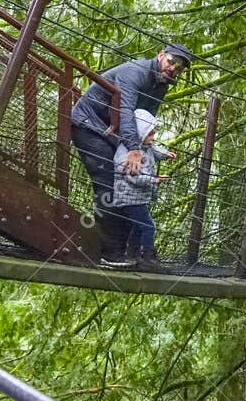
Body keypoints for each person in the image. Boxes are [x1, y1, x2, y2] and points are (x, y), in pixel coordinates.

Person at [71, 44, 192, 264]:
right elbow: (125, 110)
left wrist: (149, 147)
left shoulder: (161, 83)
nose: (174, 68)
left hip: (113, 134)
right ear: (160, 55)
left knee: (127, 186)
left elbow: (145, 118)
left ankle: (129, 251)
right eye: (172, 61)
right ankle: (109, 252)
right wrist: (134, 150)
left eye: (180, 67)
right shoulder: (135, 72)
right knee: (109, 184)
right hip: (89, 125)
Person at [109, 109, 174, 268]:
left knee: (139, 227)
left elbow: (154, 151)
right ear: (140, 133)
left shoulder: (144, 146)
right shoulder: (126, 153)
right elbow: (133, 176)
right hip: (129, 198)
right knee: (148, 226)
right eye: (150, 134)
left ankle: (132, 254)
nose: (153, 138)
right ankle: (148, 256)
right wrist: (154, 180)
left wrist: (166, 154)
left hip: (138, 197)